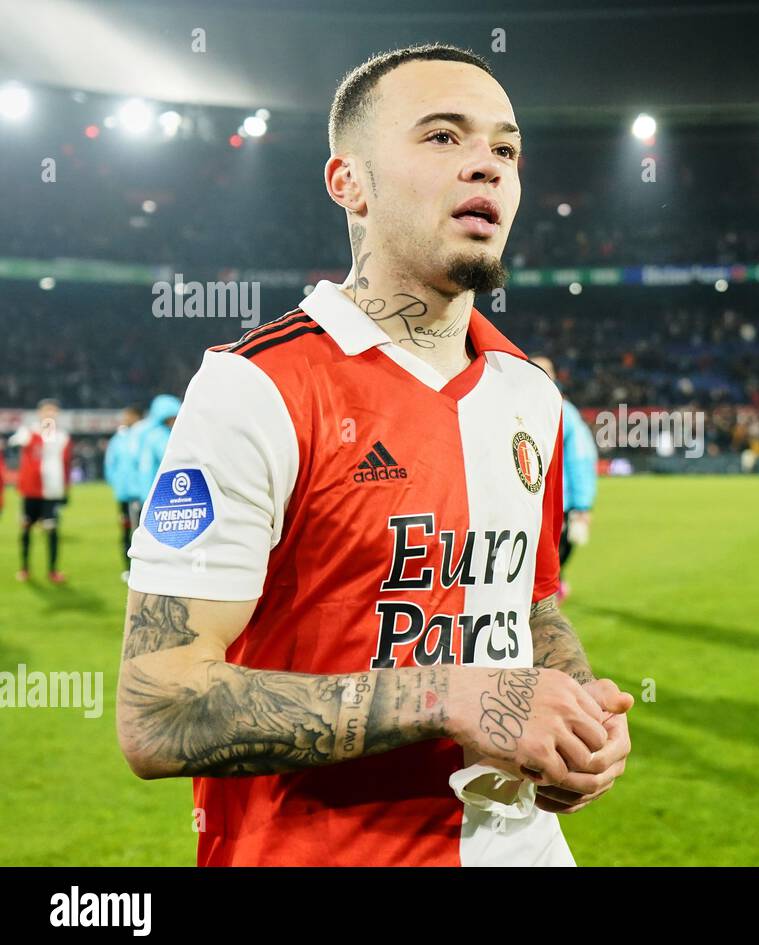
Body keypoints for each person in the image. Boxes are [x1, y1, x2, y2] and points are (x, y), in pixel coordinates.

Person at [118, 43, 633, 867]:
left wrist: (577, 714)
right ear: (347, 183)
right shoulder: (255, 388)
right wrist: (454, 697)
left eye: (505, 149)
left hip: (526, 846)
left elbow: (528, 605)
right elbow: (157, 708)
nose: (487, 167)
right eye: (442, 138)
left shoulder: (528, 394)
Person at [530, 356, 598, 600]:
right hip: (531, 504)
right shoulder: (521, 407)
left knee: (544, 570)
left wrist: (581, 505)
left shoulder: (563, 412)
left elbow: (580, 459)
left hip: (557, 506)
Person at [10, 398, 72, 583]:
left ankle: (53, 570)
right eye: (46, 411)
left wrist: (66, 490)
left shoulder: (63, 437)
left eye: (53, 411)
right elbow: (15, 442)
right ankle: (24, 568)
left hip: (52, 492)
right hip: (31, 491)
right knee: (26, 529)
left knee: (52, 530)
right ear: (39, 413)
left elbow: (66, 465)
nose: (50, 414)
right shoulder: (29, 432)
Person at [104, 405, 144, 580]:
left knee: (143, 531)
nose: (124, 419)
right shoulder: (119, 438)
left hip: (142, 492)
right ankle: (128, 568)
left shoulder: (145, 437)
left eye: (128, 416)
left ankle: (143, 568)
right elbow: (110, 462)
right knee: (126, 530)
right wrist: (117, 482)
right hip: (124, 493)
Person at [132, 394, 181, 507]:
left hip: (150, 489)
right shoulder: (161, 436)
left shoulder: (148, 433)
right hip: (161, 490)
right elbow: (171, 460)